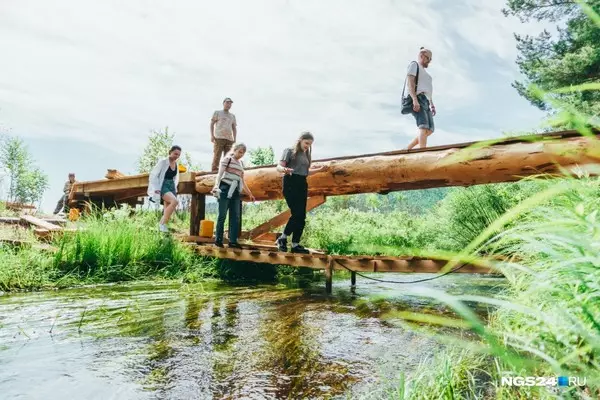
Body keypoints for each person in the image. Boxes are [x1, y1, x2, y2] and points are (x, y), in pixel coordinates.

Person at [275, 132, 325, 254]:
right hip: (290, 182)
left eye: (310, 144)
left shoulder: (306, 154)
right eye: (306, 143)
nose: (308, 146)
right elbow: (279, 167)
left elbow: (305, 172)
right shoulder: (289, 151)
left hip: (302, 183)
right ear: (300, 140)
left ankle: (295, 244)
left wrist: (320, 170)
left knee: (301, 216)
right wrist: (284, 170)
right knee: (297, 213)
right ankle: (282, 238)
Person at [212, 143, 255, 248]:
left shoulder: (241, 163)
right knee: (222, 215)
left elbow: (242, 180)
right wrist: (216, 186)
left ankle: (233, 241)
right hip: (225, 188)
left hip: (236, 191)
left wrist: (250, 194)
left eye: (243, 153)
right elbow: (220, 174)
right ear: (234, 150)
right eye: (240, 152)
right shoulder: (227, 159)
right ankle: (218, 240)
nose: (241, 154)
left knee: (235, 216)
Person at [405, 47, 436, 150]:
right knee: (423, 127)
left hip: (426, 101)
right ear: (422, 55)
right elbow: (410, 83)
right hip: (418, 97)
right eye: (428, 58)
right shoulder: (414, 65)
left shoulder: (427, 74)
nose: (429, 61)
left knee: (430, 129)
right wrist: (414, 99)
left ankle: (408, 148)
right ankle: (422, 151)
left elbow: (428, 90)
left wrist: (431, 104)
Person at [148, 145, 181, 233]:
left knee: (167, 207)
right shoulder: (163, 162)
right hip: (163, 185)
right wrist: (156, 188)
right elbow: (153, 175)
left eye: (178, 155)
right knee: (175, 201)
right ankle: (161, 224)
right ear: (170, 152)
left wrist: (175, 188)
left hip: (172, 186)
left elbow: (175, 178)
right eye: (175, 154)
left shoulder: (176, 164)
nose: (177, 156)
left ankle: (163, 227)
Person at [210, 97, 237, 172]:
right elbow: (212, 124)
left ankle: (226, 171)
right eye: (227, 103)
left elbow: (234, 128)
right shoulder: (217, 112)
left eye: (230, 103)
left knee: (228, 157)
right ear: (223, 103)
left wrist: (234, 138)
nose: (229, 104)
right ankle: (214, 171)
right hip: (219, 137)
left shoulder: (232, 116)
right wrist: (212, 135)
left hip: (229, 139)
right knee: (217, 155)